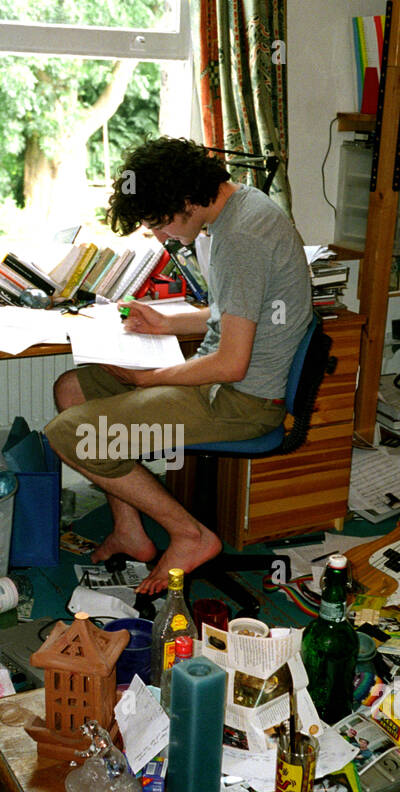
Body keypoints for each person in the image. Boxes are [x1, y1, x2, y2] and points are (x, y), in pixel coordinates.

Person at [44, 137, 312, 594]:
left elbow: (229, 363)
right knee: (73, 388)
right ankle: (131, 530)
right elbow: (236, 313)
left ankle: (191, 534)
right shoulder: (241, 208)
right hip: (225, 383)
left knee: (72, 435)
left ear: (187, 200)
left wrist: (148, 379)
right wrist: (167, 321)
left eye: (159, 222)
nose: (160, 236)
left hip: (242, 401)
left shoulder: (241, 237)